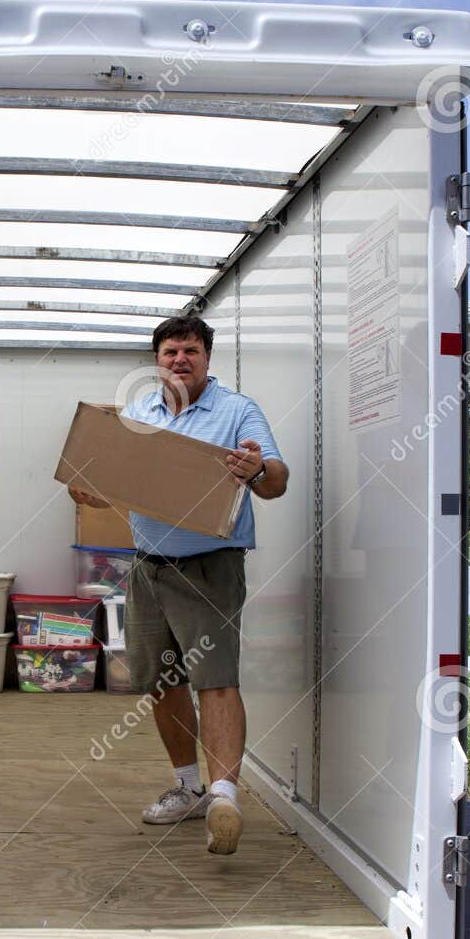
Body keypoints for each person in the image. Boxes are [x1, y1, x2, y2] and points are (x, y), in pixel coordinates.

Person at [68, 315, 288, 855]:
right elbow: (100, 489)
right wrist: (88, 488)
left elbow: (276, 483)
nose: (179, 360)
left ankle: (224, 797)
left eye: (190, 351)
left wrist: (257, 470)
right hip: (147, 567)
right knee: (160, 682)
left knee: (214, 679)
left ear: (207, 358)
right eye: (169, 352)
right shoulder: (138, 414)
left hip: (210, 567)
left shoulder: (238, 411)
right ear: (156, 360)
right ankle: (188, 786)